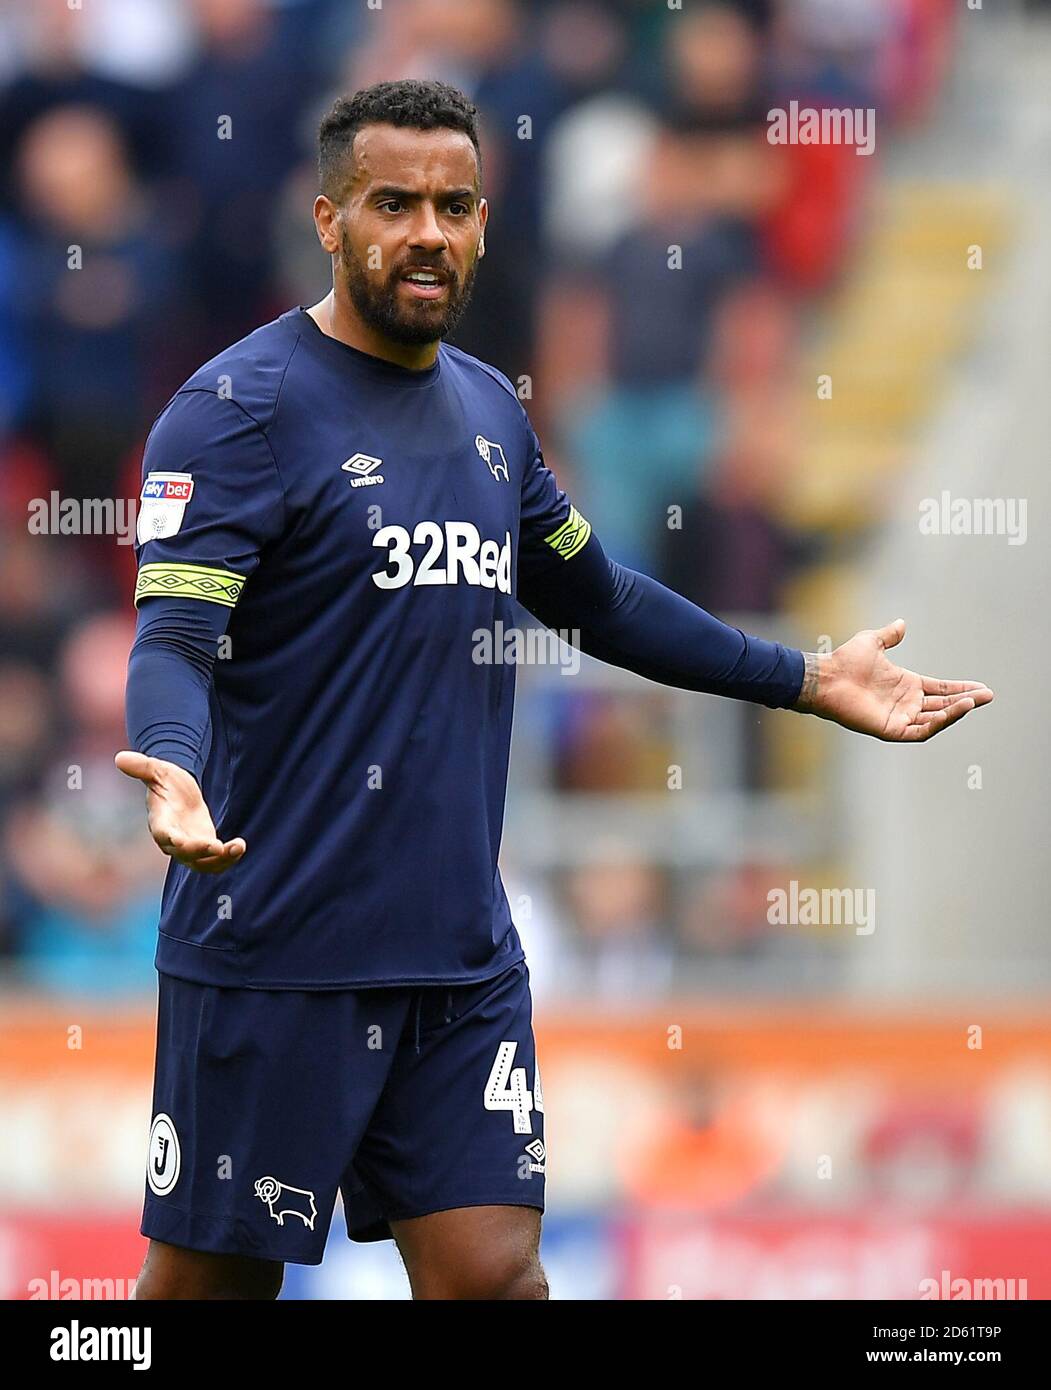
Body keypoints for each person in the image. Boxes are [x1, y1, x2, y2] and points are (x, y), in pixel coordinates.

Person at [117, 79, 992, 1301]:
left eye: (454, 205)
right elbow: (176, 638)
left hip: (458, 956)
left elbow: (603, 600)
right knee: (208, 1295)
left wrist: (803, 676)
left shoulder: (489, 412)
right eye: (392, 203)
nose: (427, 230)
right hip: (273, 946)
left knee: (497, 1278)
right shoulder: (233, 414)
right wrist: (171, 759)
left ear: (482, 224)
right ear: (328, 219)